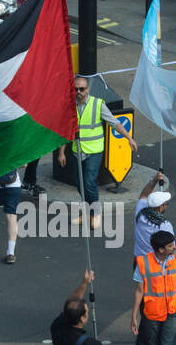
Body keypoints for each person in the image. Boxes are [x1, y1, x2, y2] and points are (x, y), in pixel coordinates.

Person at [55, 77, 137, 231]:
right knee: (79, 184)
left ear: (87, 90)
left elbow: (114, 123)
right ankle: (87, 212)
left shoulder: (98, 104)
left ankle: (96, 214)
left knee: (89, 182)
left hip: (94, 150)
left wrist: (129, 138)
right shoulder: (70, 107)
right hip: (77, 151)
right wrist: (61, 153)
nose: (78, 92)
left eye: (82, 89)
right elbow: (67, 132)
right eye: (76, 89)